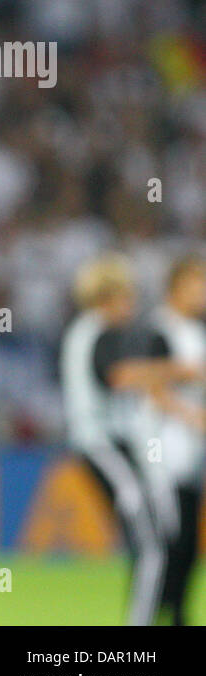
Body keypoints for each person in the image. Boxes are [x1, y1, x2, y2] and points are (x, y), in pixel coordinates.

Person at [60, 253, 203, 625]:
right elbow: (119, 376)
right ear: (109, 296)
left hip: (113, 443)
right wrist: (182, 371)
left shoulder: (88, 331)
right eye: (127, 295)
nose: (132, 304)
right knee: (153, 543)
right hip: (101, 442)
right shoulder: (97, 330)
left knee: (155, 538)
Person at [148, 256, 206, 624]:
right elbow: (151, 387)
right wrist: (192, 416)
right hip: (162, 448)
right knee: (168, 544)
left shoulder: (196, 331)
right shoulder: (159, 329)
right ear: (176, 287)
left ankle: (180, 614)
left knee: (188, 545)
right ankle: (155, 613)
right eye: (196, 284)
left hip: (193, 450)